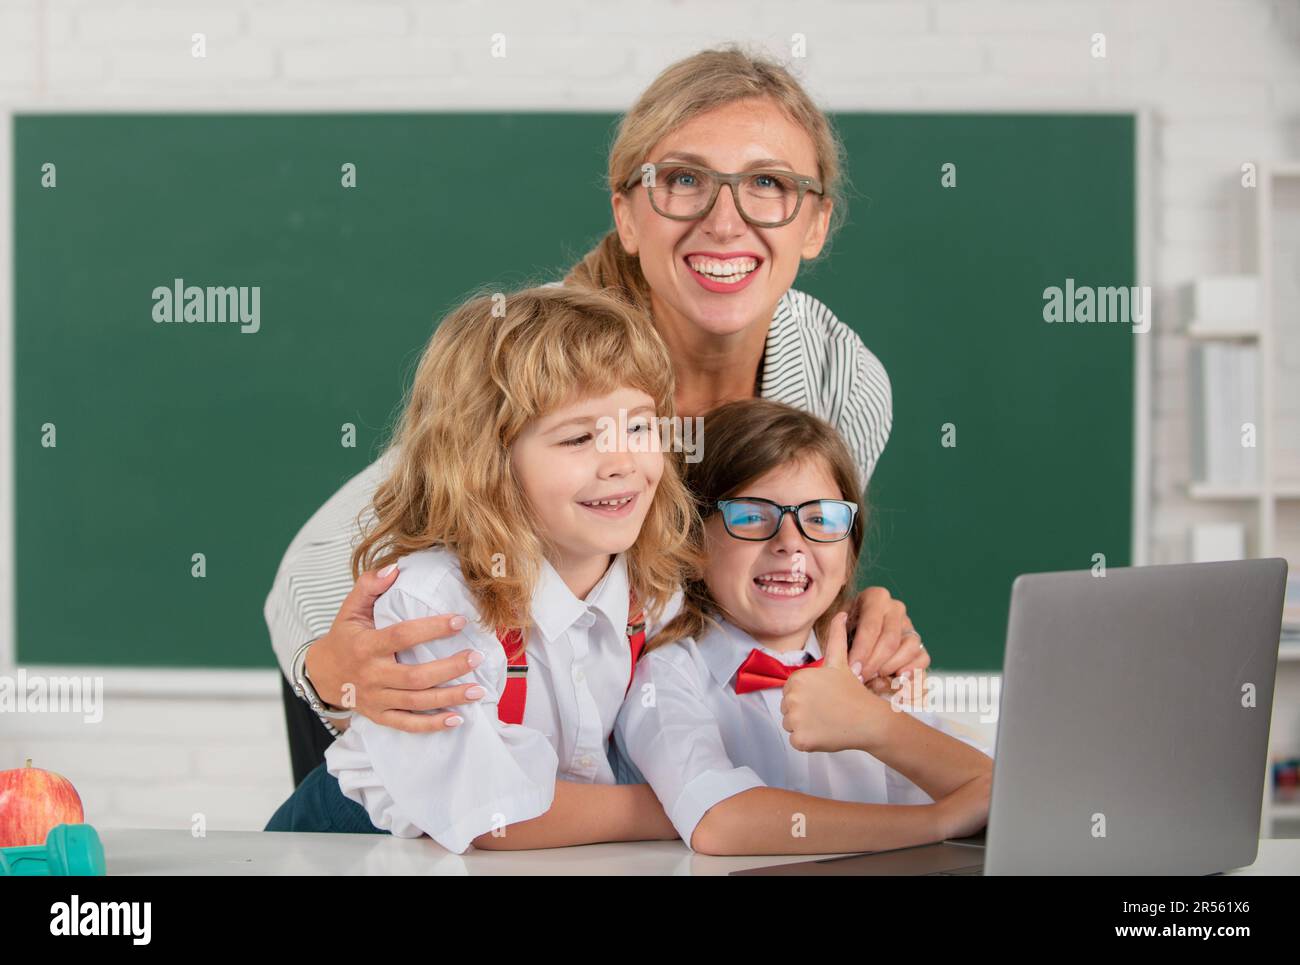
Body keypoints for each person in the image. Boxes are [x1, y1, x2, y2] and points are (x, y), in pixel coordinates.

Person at [267, 45, 928, 784]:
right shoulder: (549, 354)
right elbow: (320, 570)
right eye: (683, 180)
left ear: (814, 223)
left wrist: (849, 613)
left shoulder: (842, 379)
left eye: (768, 184)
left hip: (624, 707)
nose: (724, 219)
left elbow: (764, 565)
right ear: (628, 215)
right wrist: (333, 672)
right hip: (447, 708)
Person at [267, 285, 698, 850]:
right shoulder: (433, 604)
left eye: (639, 427)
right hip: (353, 851)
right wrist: (693, 808)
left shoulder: (655, 591)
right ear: (485, 463)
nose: (621, 462)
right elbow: (494, 819)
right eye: (577, 437)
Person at [615, 399, 993, 854]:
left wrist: (876, 724)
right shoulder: (668, 677)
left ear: (849, 548)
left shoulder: (869, 672)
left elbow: (995, 793)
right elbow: (719, 820)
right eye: (752, 516)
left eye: (820, 518)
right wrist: (937, 821)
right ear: (691, 542)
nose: (790, 543)